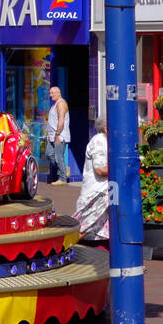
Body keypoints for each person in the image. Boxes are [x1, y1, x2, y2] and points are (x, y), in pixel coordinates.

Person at [73, 118, 110, 246]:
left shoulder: (107, 141)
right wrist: (120, 168)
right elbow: (100, 169)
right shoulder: (99, 141)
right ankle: (66, 247)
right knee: (85, 225)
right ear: (106, 128)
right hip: (96, 192)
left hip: (104, 190)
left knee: (96, 226)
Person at [46, 85, 71, 185]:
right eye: (50, 93)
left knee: (58, 157)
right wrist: (49, 134)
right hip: (52, 136)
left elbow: (61, 120)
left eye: (52, 93)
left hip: (59, 136)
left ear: (58, 93)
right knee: (49, 154)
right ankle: (64, 170)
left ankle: (63, 179)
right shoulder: (55, 104)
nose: (50, 95)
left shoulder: (61, 104)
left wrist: (57, 134)